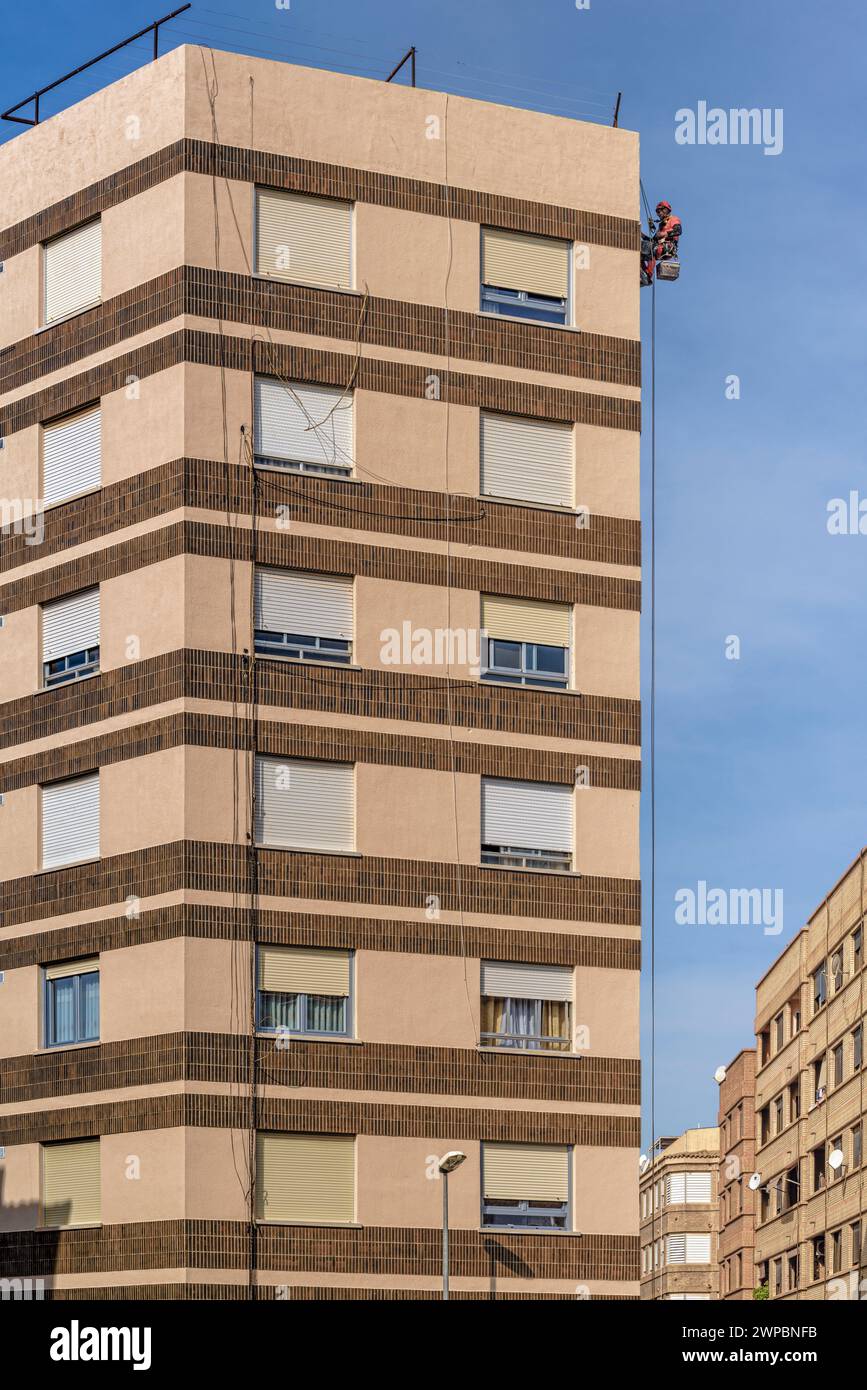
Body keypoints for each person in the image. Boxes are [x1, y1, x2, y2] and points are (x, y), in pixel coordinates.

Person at [641, 200, 682, 285]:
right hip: (659, 248)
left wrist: (664, 233)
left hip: (667, 247)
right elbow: (652, 241)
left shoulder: (673, 219)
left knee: (648, 248)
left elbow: (678, 230)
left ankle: (648, 274)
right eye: (657, 212)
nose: (659, 214)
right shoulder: (661, 226)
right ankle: (644, 274)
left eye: (660, 211)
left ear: (666, 210)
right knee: (640, 251)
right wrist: (641, 234)